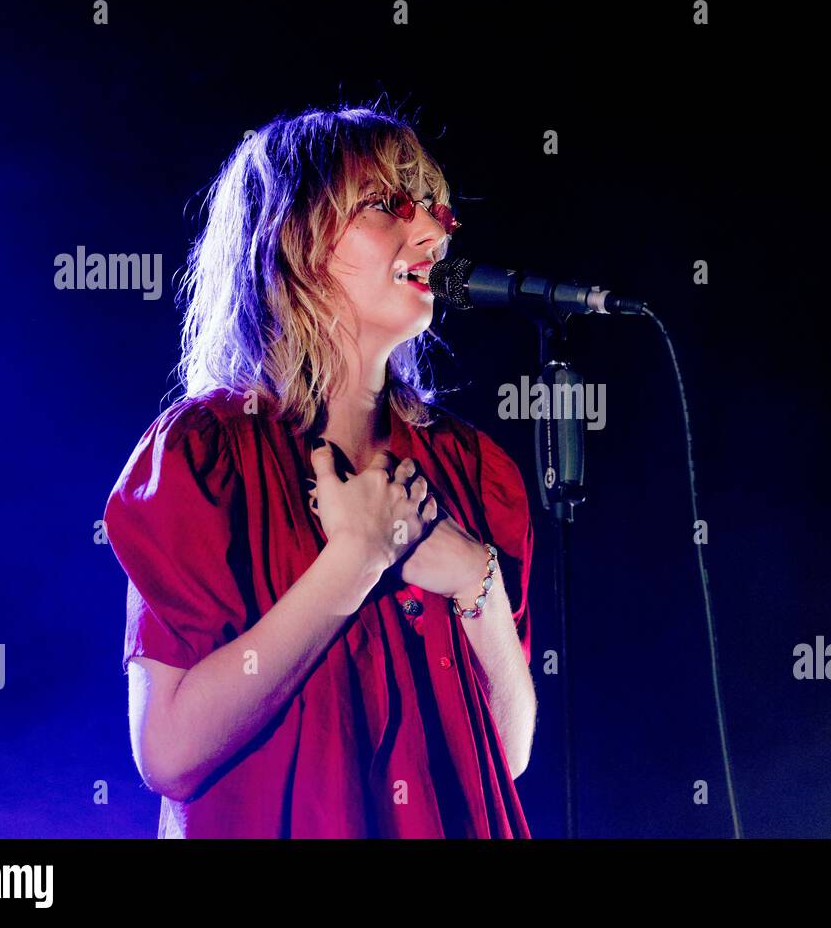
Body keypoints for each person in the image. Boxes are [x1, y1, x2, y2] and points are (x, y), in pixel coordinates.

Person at [103, 104, 537, 838]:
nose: (431, 233)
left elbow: (511, 751)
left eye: (434, 209)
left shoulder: (470, 468)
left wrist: (476, 580)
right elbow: (169, 752)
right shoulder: (206, 455)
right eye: (384, 204)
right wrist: (354, 564)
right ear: (289, 239)